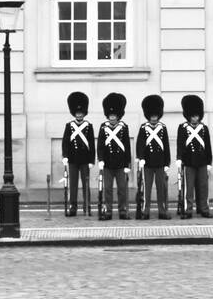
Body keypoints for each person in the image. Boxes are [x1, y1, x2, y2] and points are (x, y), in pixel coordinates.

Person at [176, 94, 213, 218]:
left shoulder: (204, 128)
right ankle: (188, 210)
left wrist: (209, 162)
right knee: (188, 188)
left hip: (202, 161)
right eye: (192, 116)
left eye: (196, 116)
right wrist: (179, 158)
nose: (194, 118)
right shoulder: (183, 128)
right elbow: (180, 144)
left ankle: (204, 209)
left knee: (203, 187)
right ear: (188, 116)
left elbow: (208, 146)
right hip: (189, 161)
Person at [136, 94, 170, 220]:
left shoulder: (162, 127)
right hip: (148, 163)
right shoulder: (144, 128)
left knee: (161, 189)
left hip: (160, 162)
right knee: (147, 190)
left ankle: (162, 211)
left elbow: (165, 145)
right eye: (152, 115)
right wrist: (141, 158)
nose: (154, 118)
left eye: (156, 115)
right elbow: (140, 144)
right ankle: (145, 211)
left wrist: (167, 163)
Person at [97, 93, 131, 221]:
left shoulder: (123, 127)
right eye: (110, 116)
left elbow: (127, 146)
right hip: (108, 164)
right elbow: (100, 145)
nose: (112, 118)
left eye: (114, 116)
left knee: (122, 190)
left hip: (120, 164)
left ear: (118, 116)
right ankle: (108, 211)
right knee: (108, 190)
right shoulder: (103, 127)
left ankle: (123, 211)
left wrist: (127, 164)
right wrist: (100, 159)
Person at [61, 91, 95, 217]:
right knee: (73, 185)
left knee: (86, 184)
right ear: (74, 113)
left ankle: (87, 206)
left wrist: (92, 160)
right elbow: (65, 142)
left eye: (81, 112)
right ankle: (73, 207)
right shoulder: (69, 126)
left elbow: (91, 145)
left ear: (84, 113)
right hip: (73, 159)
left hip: (85, 159)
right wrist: (65, 156)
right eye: (77, 112)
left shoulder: (88, 126)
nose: (79, 114)